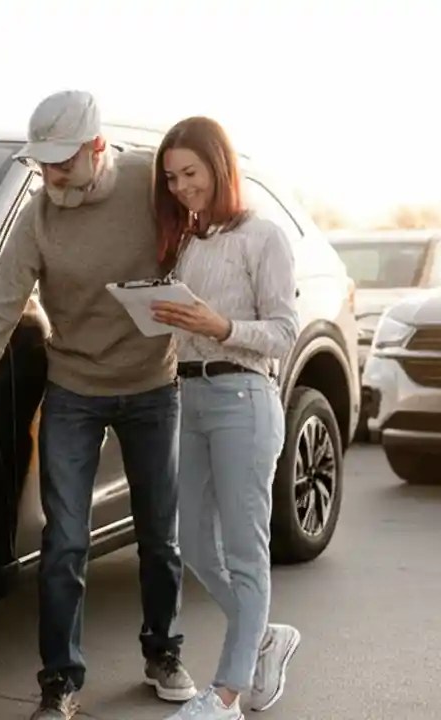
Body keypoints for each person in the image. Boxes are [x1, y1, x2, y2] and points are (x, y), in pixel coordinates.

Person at [0, 90, 196, 720]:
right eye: (43, 162)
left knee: (160, 535)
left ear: (97, 148)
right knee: (64, 541)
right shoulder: (39, 216)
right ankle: (59, 682)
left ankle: (163, 650)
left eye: (63, 160)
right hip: (75, 390)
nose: (51, 173)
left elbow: (212, 231)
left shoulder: (151, 183)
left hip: (150, 387)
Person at [148, 116, 302, 720]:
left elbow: (284, 332)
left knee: (244, 550)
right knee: (192, 543)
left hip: (244, 399)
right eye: (171, 178)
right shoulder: (185, 241)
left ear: (219, 166)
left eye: (191, 173)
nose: (182, 187)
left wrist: (222, 328)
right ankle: (263, 635)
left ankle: (228, 695)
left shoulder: (263, 236)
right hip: (188, 397)